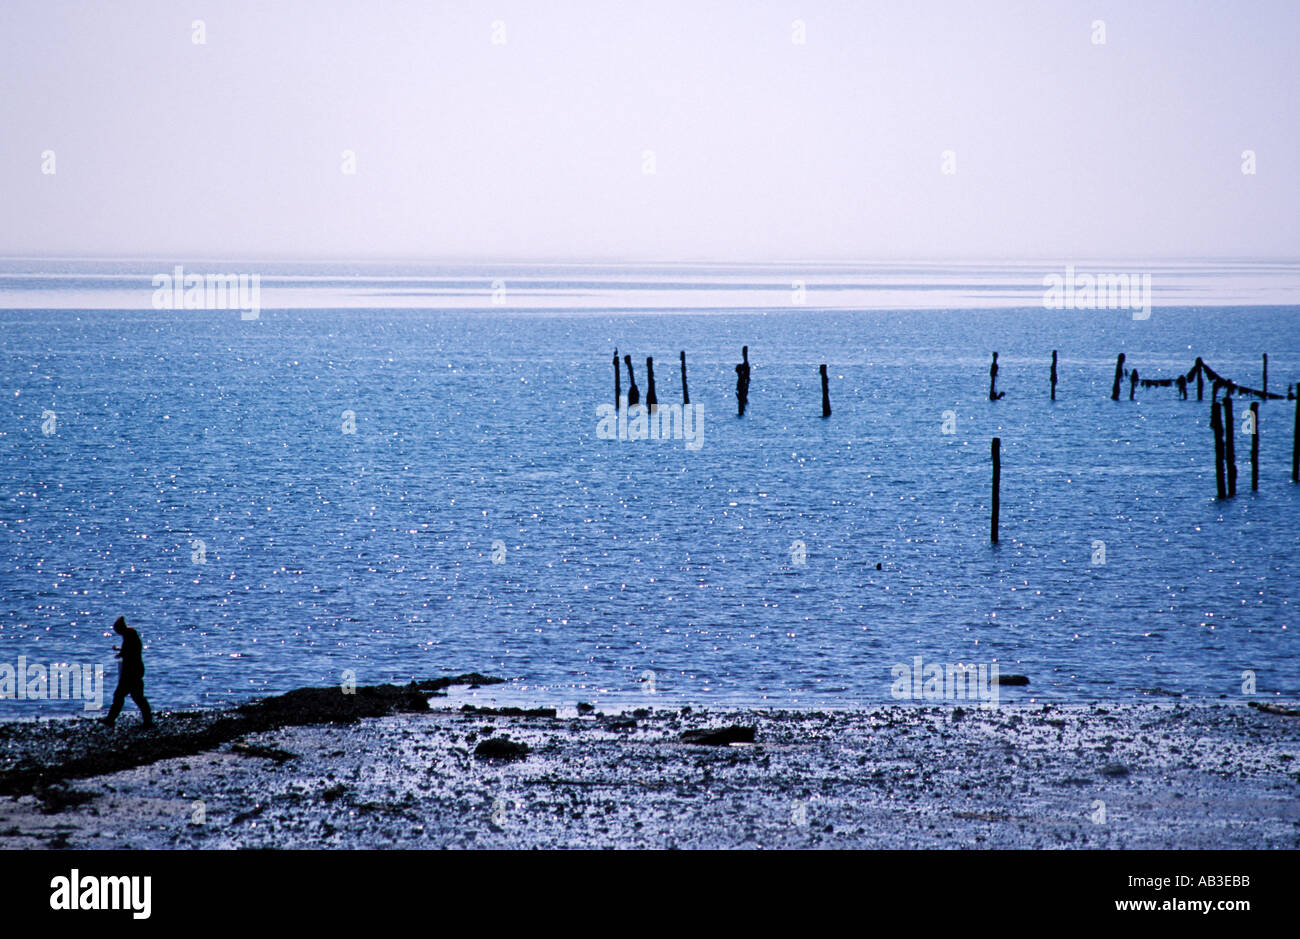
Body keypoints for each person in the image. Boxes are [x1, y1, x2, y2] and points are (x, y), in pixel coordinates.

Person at [102, 616, 153, 728]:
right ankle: (148, 720)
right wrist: (121, 651)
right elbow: (131, 650)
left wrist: (121, 653)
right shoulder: (131, 635)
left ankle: (110, 719)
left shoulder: (129, 635)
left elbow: (130, 652)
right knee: (137, 696)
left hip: (131, 672)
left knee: (120, 695)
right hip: (135, 670)